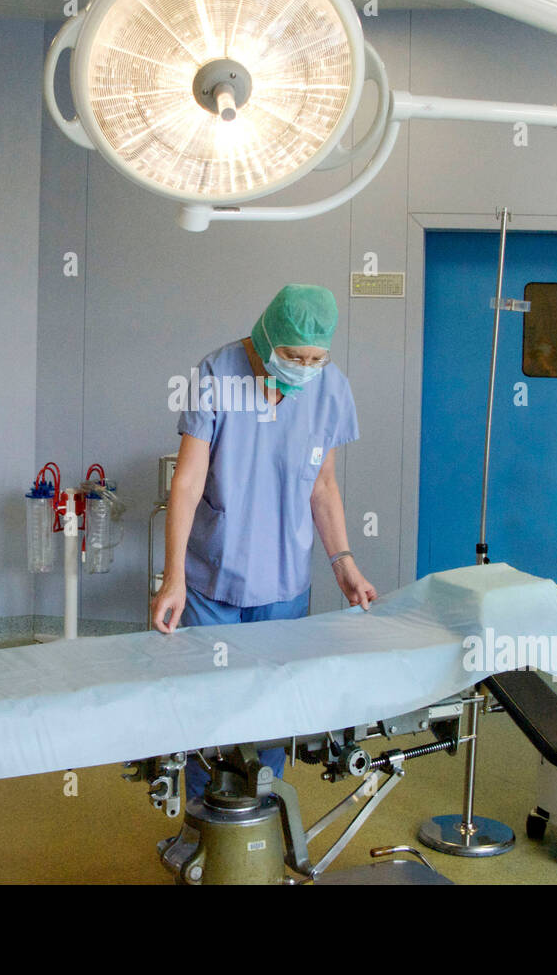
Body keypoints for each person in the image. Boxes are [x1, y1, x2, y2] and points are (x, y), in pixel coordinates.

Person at [150, 284, 377, 801]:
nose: (304, 369)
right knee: (210, 715)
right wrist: (174, 577)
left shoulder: (330, 389)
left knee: (270, 715)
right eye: (295, 356)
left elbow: (322, 486)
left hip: (284, 583)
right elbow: (185, 483)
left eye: (316, 359)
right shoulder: (216, 375)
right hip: (212, 579)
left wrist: (344, 564)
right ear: (267, 334)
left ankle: (258, 831)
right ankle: (204, 832)